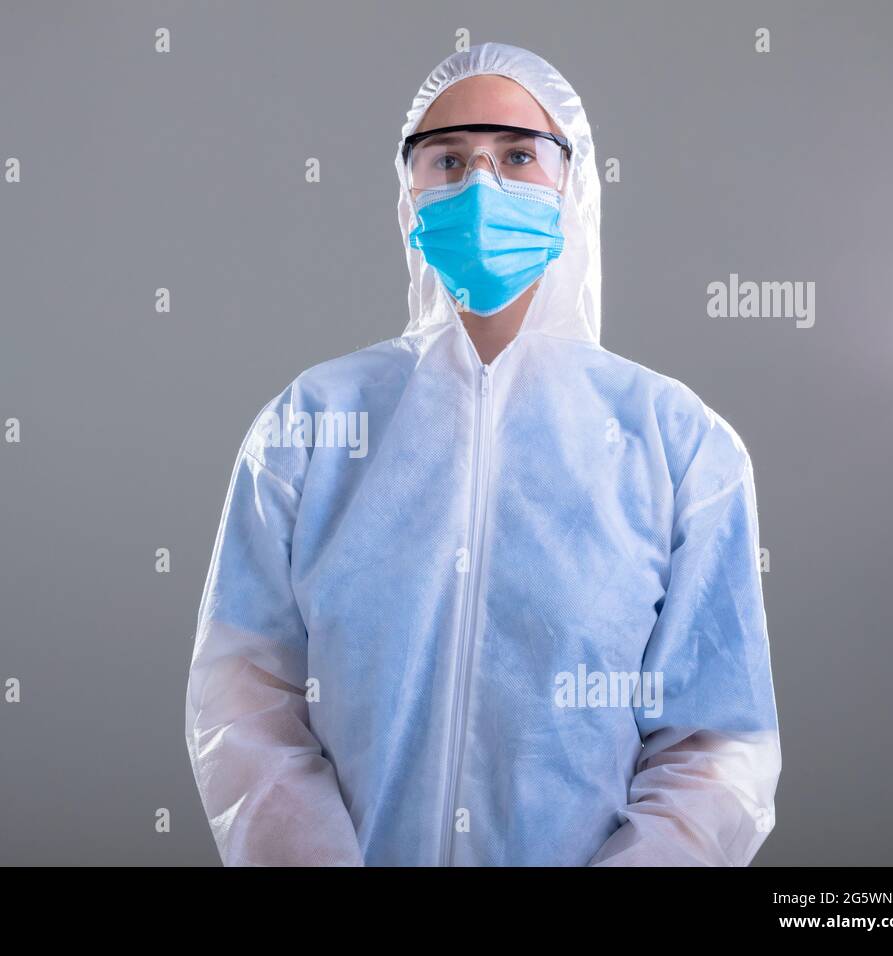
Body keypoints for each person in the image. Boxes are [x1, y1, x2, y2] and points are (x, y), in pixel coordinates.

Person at [184, 42, 781, 866]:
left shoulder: (676, 443)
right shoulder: (312, 426)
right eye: (450, 158)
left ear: (572, 185)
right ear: (408, 193)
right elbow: (243, 703)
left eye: (517, 155)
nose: (481, 185)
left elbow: (716, 746)